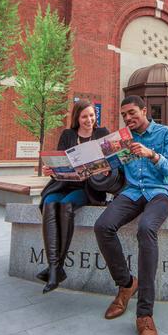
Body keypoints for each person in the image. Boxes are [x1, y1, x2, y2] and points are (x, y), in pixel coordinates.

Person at [93, 96, 168, 335]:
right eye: (124, 115)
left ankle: (144, 315)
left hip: (161, 191)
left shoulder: (165, 133)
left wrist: (151, 154)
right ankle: (127, 283)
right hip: (132, 192)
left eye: (132, 113)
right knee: (103, 226)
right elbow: (110, 167)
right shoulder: (122, 139)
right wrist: (94, 168)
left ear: (144, 111)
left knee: (146, 229)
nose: (128, 118)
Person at [37, 100, 110, 294]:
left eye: (92, 115)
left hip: (88, 188)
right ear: (77, 118)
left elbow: (111, 163)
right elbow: (60, 161)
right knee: (51, 202)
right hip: (63, 183)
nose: (89, 119)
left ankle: (55, 270)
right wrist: (51, 169)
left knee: (66, 204)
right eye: (84, 116)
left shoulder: (102, 133)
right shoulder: (67, 135)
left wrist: (103, 169)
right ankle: (55, 267)